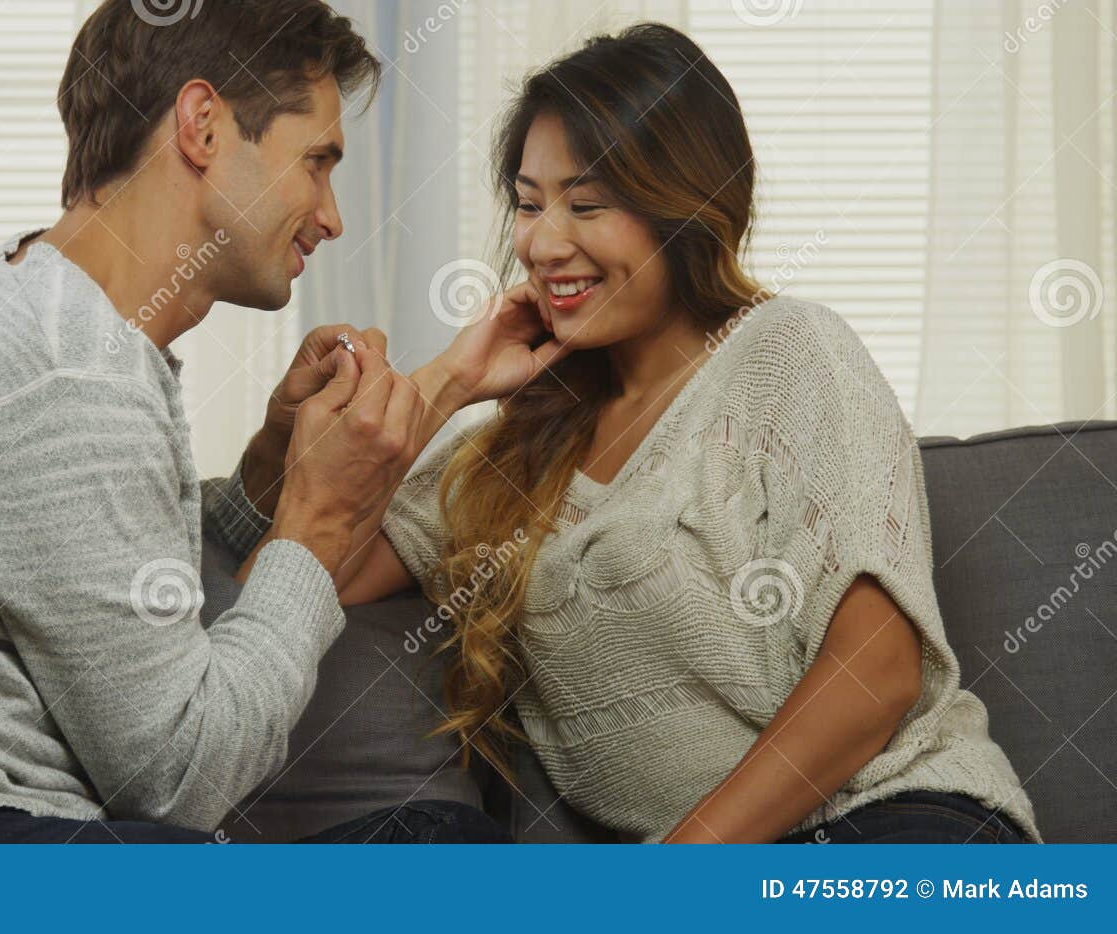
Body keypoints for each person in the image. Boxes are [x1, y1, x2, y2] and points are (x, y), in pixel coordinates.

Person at [0, 0, 507, 845]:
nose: (332, 216)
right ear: (202, 126)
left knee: (436, 840)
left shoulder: (43, 307)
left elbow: (107, 579)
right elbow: (181, 778)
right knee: (441, 851)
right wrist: (321, 519)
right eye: (316, 162)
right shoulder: (69, 372)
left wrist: (272, 470)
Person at [243, 23, 1039, 845]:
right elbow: (293, 580)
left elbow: (878, 672)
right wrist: (450, 382)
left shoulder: (790, 352)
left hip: (900, 823)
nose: (543, 243)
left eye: (587, 205)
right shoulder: (516, 451)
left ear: (684, 209)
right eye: (528, 204)